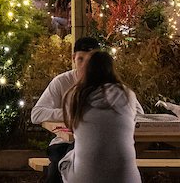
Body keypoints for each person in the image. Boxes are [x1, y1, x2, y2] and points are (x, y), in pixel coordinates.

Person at [31, 37, 144, 183]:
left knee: (68, 162)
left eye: (90, 61)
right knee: (63, 157)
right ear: (74, 59)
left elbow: (140, 114)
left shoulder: (80, 95)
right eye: (81, 59)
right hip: (70, 145)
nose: (85, 65)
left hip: (83, 162)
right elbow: (36, 114)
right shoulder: (126, 93)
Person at [57, 52, 141, 183]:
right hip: (128, 178)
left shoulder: (76, 96)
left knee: (65, 159)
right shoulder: (128, 94)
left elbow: (73, 128)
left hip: (84, 178)